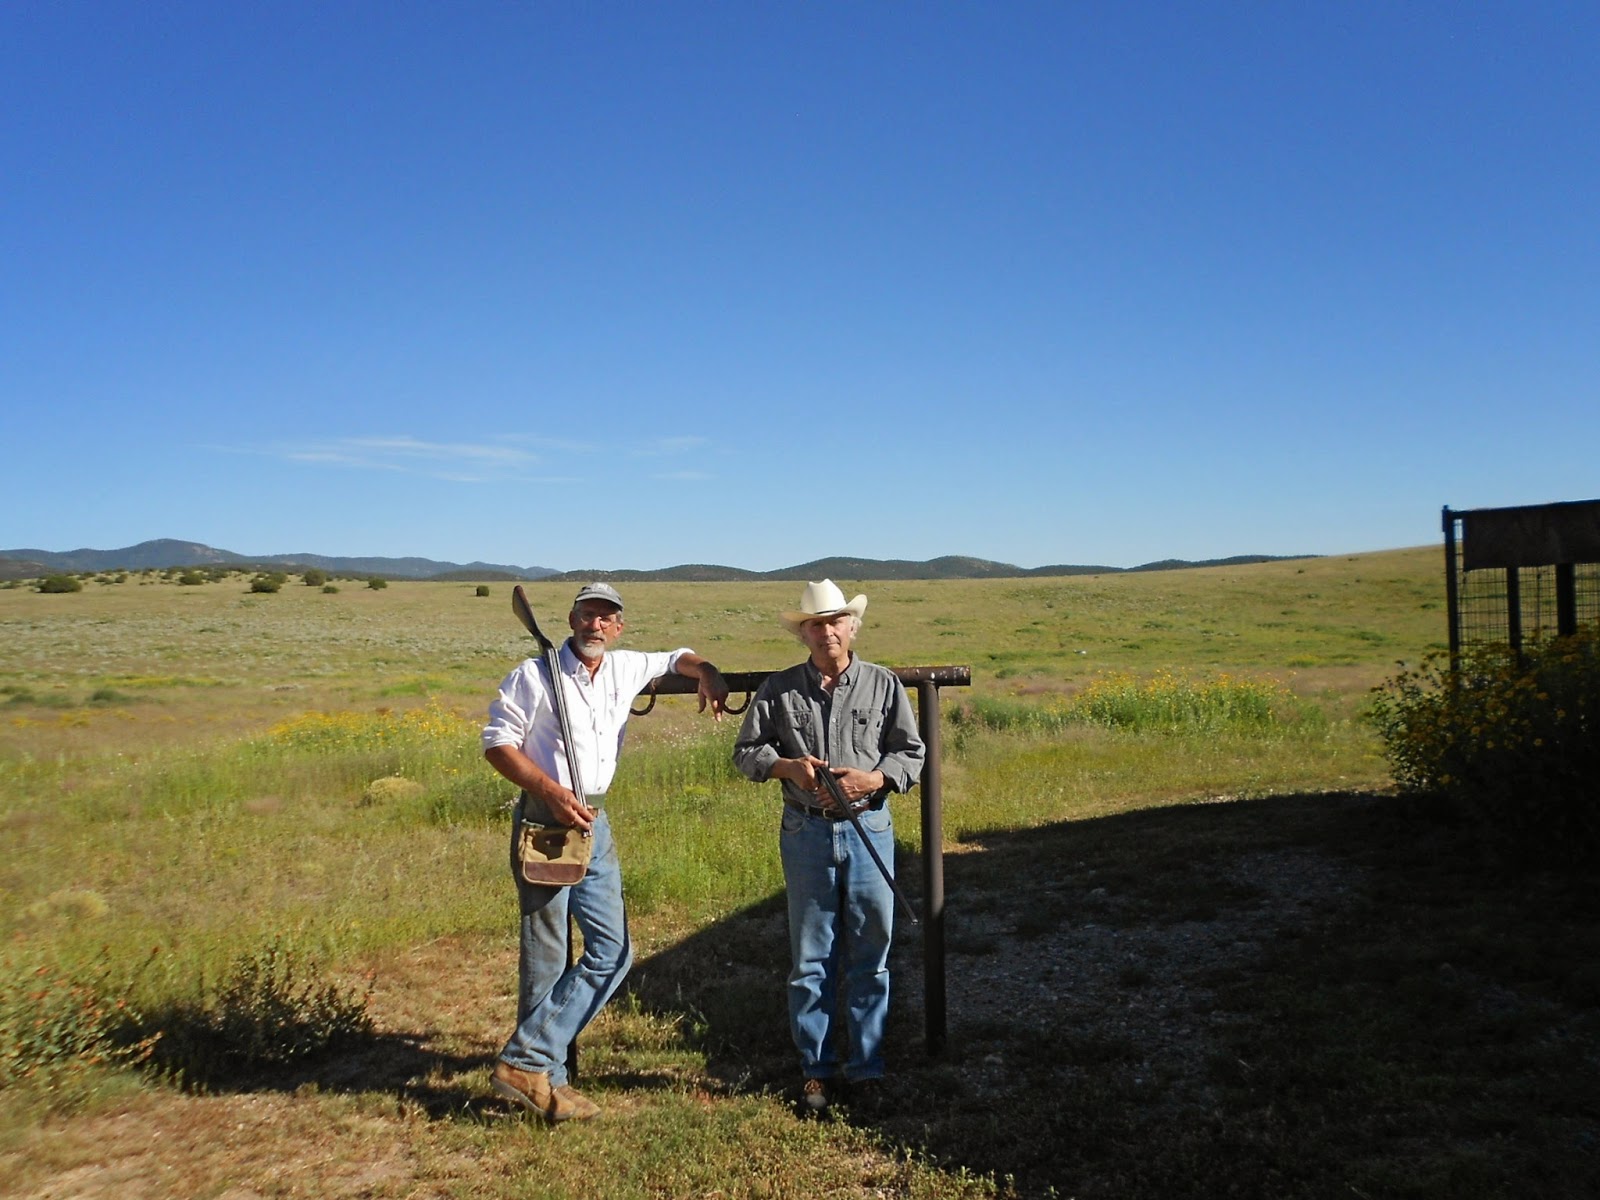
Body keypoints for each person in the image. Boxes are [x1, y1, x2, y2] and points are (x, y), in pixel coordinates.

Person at [482, 581, 729, 1122]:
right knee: (547, 955)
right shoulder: (534, 674)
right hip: (547, 819)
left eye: (606, 618)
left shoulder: (624, 668)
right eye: (587, 615)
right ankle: (546, 1079)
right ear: (571, 620)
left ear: (618, 628)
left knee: (612, 951)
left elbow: (676, 658)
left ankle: (528, 1060)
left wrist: (705, 670)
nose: (596, 625)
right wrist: (548, 790)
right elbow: (497, 742)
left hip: (596, 820)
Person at [732, 579, 925, 1113]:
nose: (826, 631)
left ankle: (866, 1067)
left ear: (852, 626)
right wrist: (784, 766)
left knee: (872, 951)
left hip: (871, 828)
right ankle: (815, 1069)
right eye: (815, 624)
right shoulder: (779, 689)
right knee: (811, 955)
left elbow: (911, 753)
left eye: (835, 621)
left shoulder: (883, 685)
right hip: (806, 830)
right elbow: (746, 750)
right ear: (804, 633)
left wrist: (877, 780)